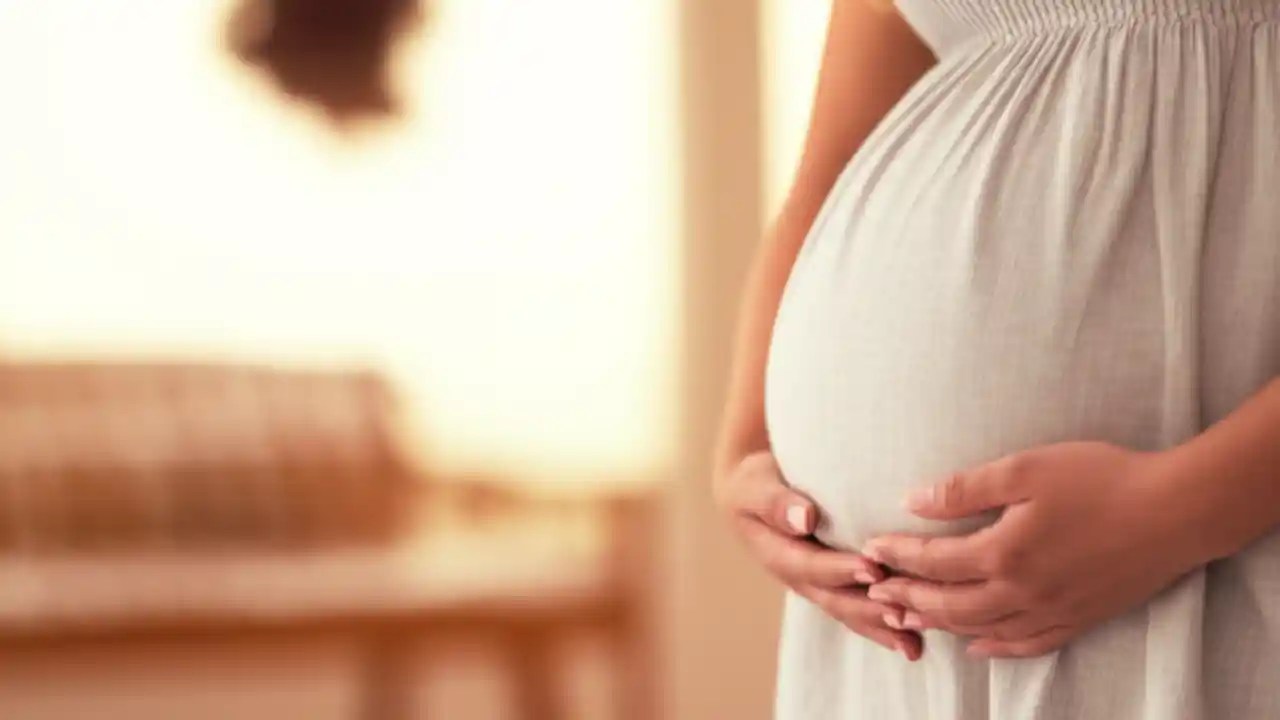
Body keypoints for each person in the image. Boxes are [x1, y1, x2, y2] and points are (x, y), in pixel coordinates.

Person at [713, 0, 1280, 717]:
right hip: (889, 639)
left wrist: (1182, 513)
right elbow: (823, 177)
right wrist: (745, 444)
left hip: (1205, 560)